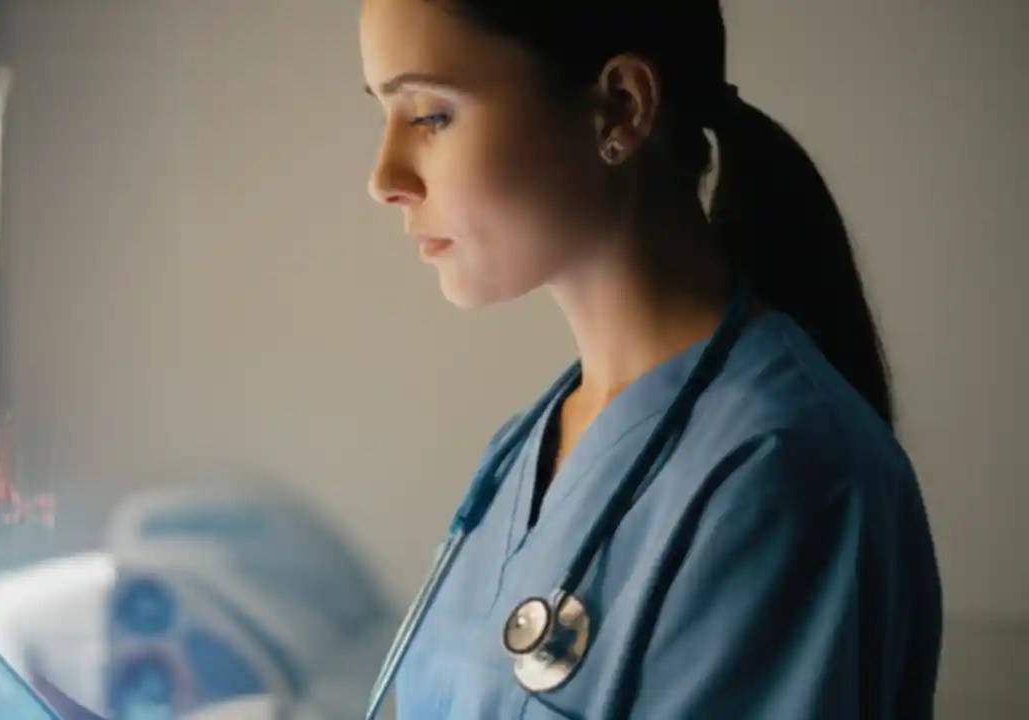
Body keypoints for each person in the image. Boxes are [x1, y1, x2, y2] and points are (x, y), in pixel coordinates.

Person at [359, 0, 943, 718]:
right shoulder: (519, 453)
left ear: (621, 108)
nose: (384, 176)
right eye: (381, 115)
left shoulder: (782, 468)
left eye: (430, 115)